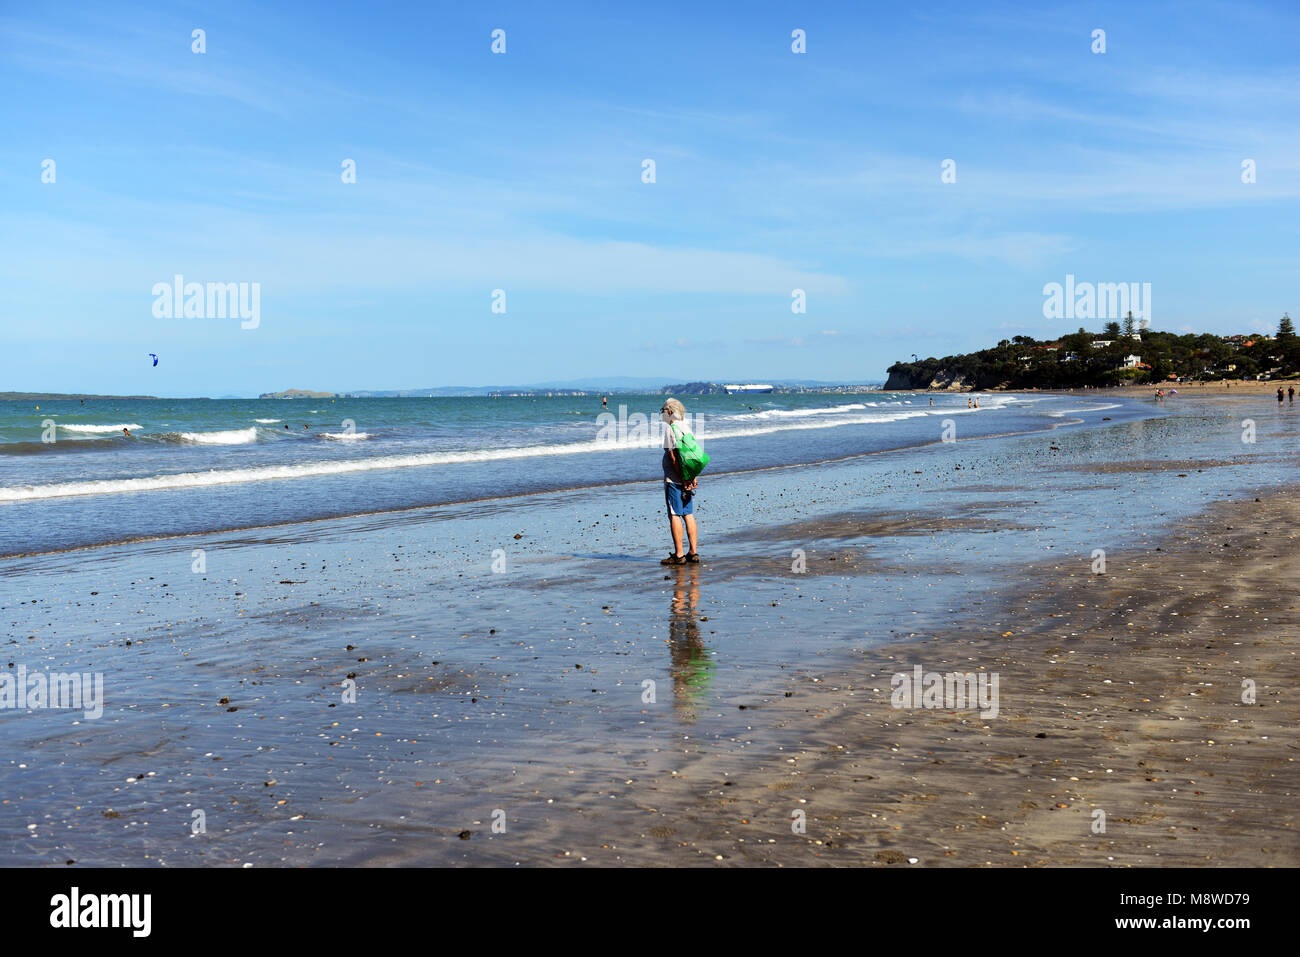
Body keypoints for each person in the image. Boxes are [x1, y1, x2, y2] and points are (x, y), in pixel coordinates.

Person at [659, 398, 700, 565]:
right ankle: (693, 552)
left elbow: (674, 458)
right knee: (688, 514)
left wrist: (683, 478)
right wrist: (692, 476)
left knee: (675, 514)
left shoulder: (670, 429)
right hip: (688, 477)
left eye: (662, 410)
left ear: (669, 411)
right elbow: (692, 454)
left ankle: (679, 554)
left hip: (675, 480)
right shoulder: (685, 426)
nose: (661, 414)